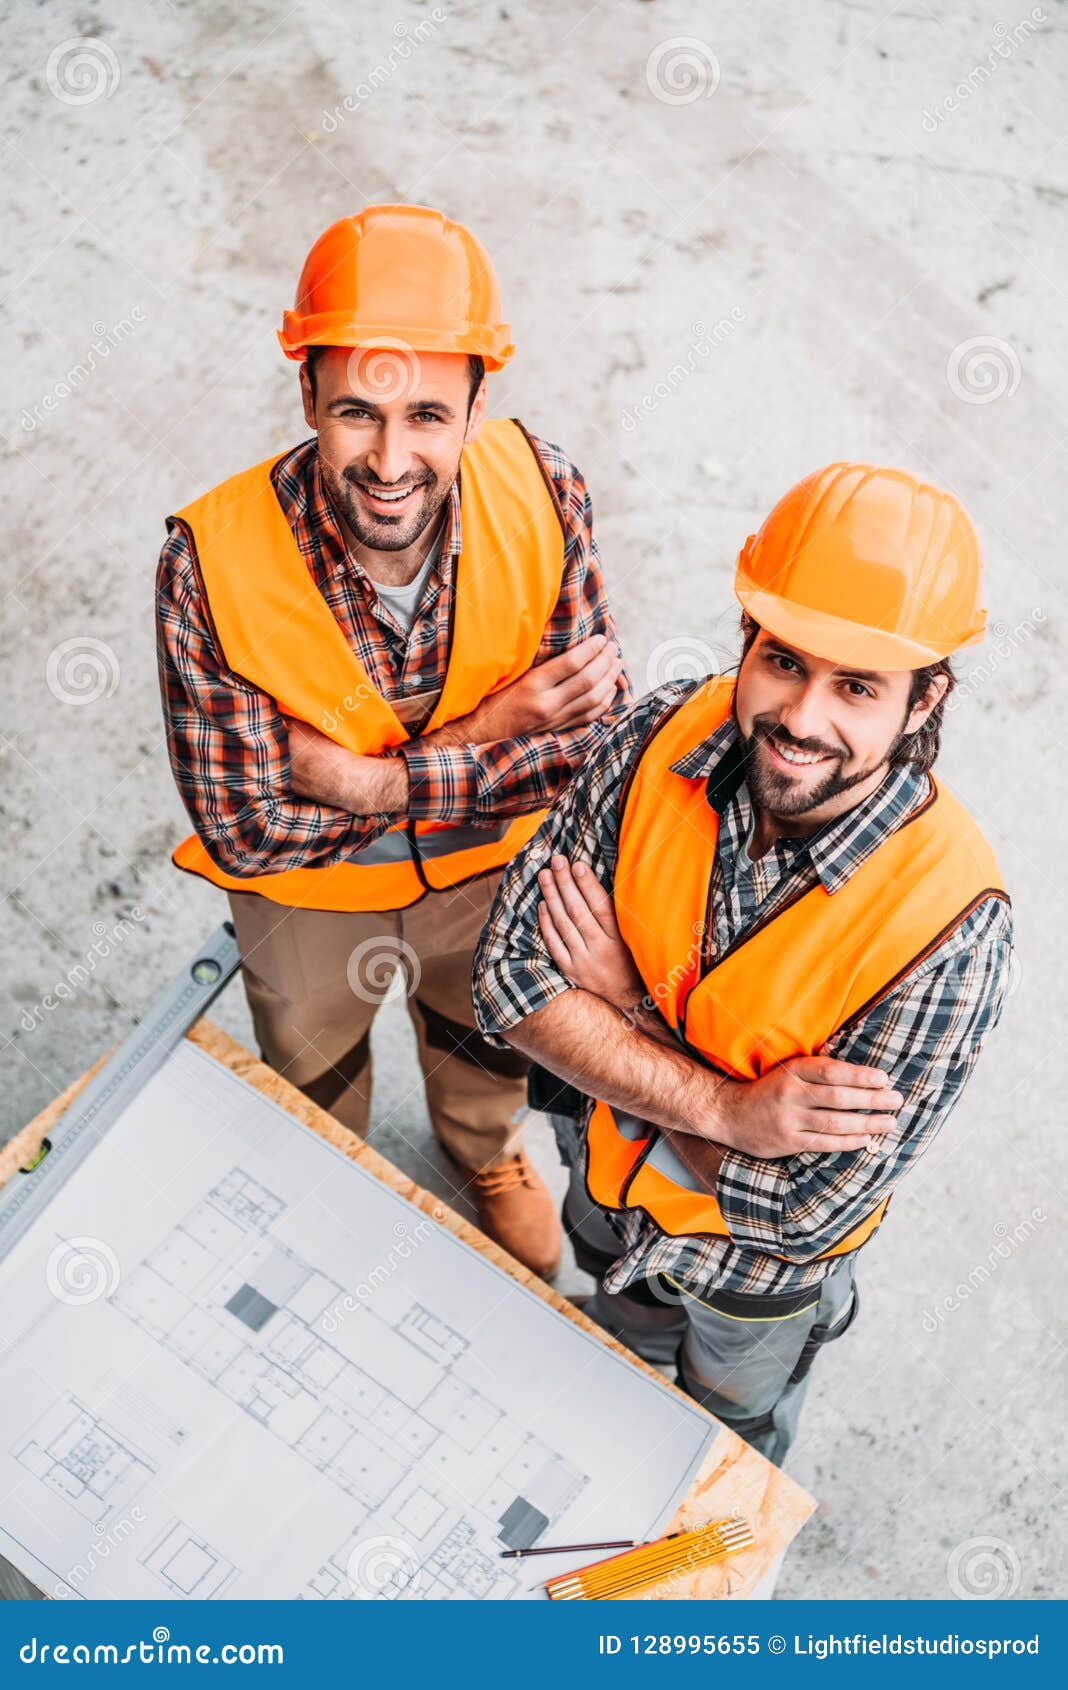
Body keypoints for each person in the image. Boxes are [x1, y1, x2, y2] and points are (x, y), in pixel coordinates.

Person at [473, 461, 1014, 1465]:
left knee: (729, 1430)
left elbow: (802, 1210)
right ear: (748, 636)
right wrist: (732, 1113)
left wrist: (621, 1013)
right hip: (602, 1180)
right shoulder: (657, 735)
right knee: (619, 1342)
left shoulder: (950, 926)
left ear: (925, 697)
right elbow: (508, 978)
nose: (801, 717)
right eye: (784, 661)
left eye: (857, 686)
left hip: (747, 1282)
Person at [156, 204, 630, 1279]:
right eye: (356, 413)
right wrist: (496, 730)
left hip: (487, 875)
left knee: (485, 1039)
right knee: (310, 1062)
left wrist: (359, 779)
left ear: (476, 405)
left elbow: (588, 755)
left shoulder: (543, 495)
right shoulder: (211, 563)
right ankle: (328, 1175)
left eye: (426, 415)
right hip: (308, 902)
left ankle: (485, 1153)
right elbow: (250, 827)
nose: (389, 458)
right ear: (307, 397)